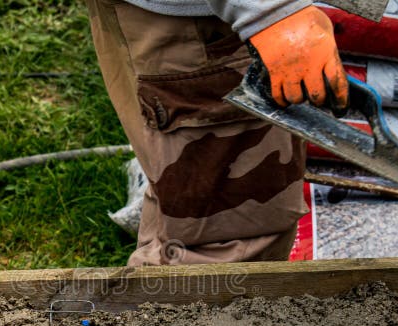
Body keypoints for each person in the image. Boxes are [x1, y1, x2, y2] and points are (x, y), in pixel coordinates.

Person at [85, 0, 348, 265]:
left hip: (179, 16)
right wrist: (274, 12)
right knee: (230, 244)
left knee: (184, 208)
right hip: (206, 27)